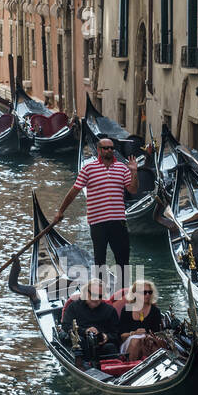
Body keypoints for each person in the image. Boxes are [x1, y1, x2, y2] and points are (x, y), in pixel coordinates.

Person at [53, 134, 139, 289]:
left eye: (111, 148)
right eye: (106, 148)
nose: (109, 150)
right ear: (99, 150)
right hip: (97, 222)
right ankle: (99, 293)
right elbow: (75, 191)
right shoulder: (88, 169)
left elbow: (132, 189)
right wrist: (60, 211)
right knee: (100, 260)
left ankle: (124, 293)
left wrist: (134, 172)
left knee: (123, 259)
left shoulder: (122, 168)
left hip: (118, 221)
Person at [60, 278, 120, 360]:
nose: (96, 299)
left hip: (102, 345)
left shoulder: (110, 310)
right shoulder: (73, 307)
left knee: (110, 347)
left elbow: (116, 333)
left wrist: (106, 336)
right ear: (86, 292)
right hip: (80, 342)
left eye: (99, 296)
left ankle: (113, 369)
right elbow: (66, 326)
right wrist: (85, 331)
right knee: (80, 343)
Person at [119, 279, 164, 361]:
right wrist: (134, 333)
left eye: (149, 292)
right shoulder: (127, 309)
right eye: (144, 292)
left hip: (148, 342)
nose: (147, 295)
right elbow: (122, 336)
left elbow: (157, 333)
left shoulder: (155, 311)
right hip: (129, 343)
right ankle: (131, 368)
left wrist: (147, 337)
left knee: (147, 343)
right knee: (136, 340)